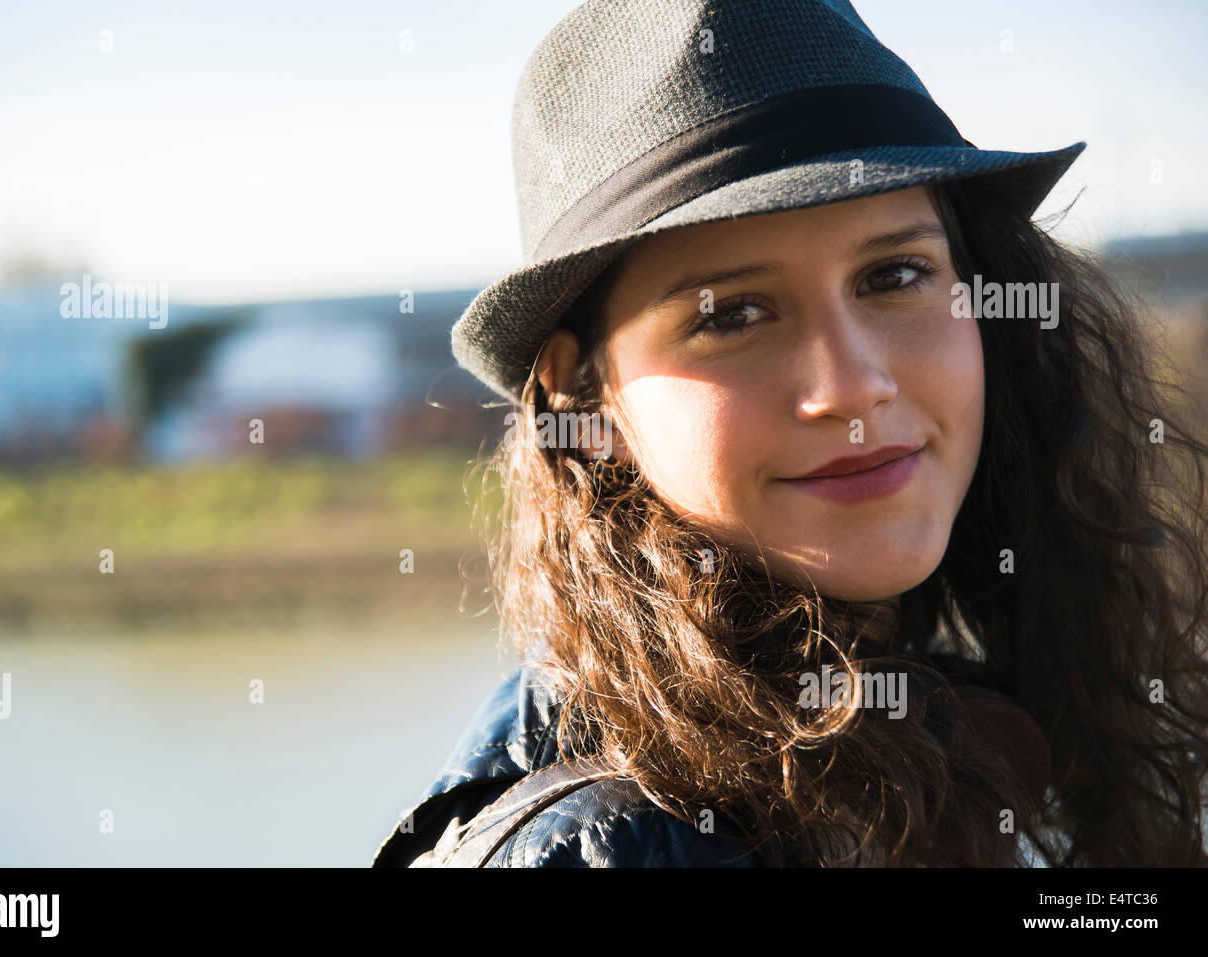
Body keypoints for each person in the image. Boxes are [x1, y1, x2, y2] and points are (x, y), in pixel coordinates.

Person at [372, 0, 1208, 867]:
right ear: (583, 391)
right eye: (734, 313)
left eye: (895, 273)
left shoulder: (964, 725)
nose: (853, 384)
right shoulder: (622, 848)